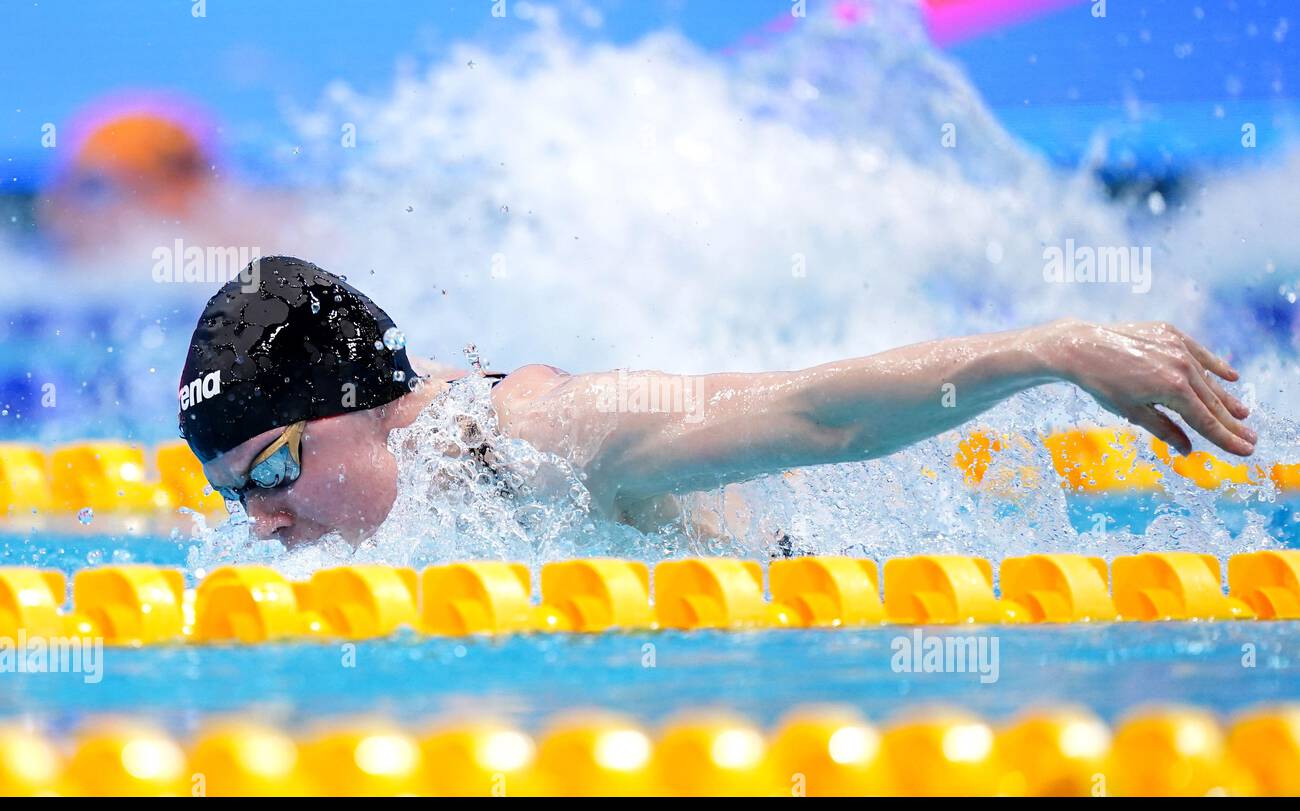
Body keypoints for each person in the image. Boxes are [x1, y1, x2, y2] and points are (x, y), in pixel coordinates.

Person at [180, 257, 1255, 549]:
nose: (263, 518)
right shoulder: (403, 515)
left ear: (369, 404)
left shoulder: (538, 435)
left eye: (272, 466)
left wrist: (1047, 347)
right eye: (236, 494)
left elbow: (813, 412)